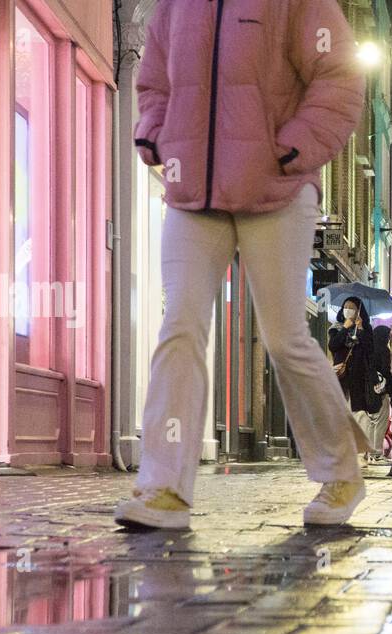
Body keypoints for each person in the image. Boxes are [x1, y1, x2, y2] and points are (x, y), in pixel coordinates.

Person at [115, 0, 367, 529]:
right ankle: (164, 487)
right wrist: (154, 132)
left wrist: (291, 149)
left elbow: (339, 76)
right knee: (179, 325)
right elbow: (154, 78)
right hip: (193, 193)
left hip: (276, 189)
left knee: (285, 337)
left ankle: (341, 471)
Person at [328, 297, 375, 443]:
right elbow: (333, 346)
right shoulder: (336, 327)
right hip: (341, 374)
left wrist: (360, 330)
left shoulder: (365, 329)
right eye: (345, 307)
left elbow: (370, 350)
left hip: (359, 376)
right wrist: (345, 328)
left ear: (358, 311)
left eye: (352, 307)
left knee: (359, 412)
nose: (347, 310)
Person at [362, 324, 392, 462]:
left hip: (368, 389)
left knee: (371, 420)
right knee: (381, 420)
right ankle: (376, 452)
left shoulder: (368, 349)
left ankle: (369, 452)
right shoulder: (383, 350)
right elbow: (385, 370)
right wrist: (391, 387)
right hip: (380, 389)